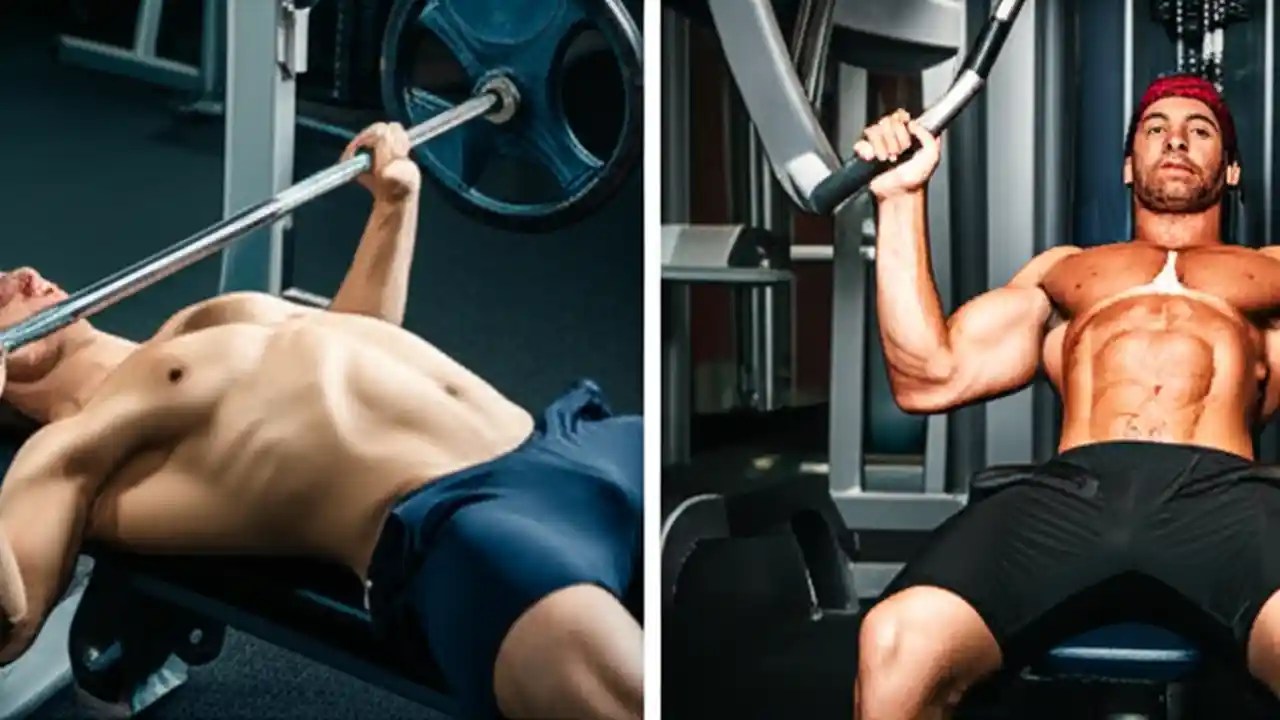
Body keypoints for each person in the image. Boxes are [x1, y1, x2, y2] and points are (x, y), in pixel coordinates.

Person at [0, 122, 643, 720]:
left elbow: (355, 338)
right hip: (468, 525)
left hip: (572, 440)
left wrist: (393, 207)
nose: (19, 274)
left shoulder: (189, 326)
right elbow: (11, 625)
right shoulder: (70, 444)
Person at [851, 73, 1280, 720]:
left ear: (1233, 169)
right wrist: (900, 197)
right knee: (895, 643)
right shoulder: (1066, 271)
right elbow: (927, 376)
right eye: (1155, 129)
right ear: (1128, 167)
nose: (1175, 141)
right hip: (1073, 493)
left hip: (1223, 496)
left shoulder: (1271, 271)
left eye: (1200, 130)